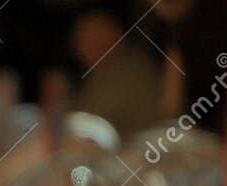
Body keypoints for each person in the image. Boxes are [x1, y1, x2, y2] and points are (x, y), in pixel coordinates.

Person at [71, 6, 165, 139]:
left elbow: (151, 131)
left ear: (118, 34)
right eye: (83, 38)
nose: (88, 46)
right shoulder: (94, 75)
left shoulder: (138, 74)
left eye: (98, 36)